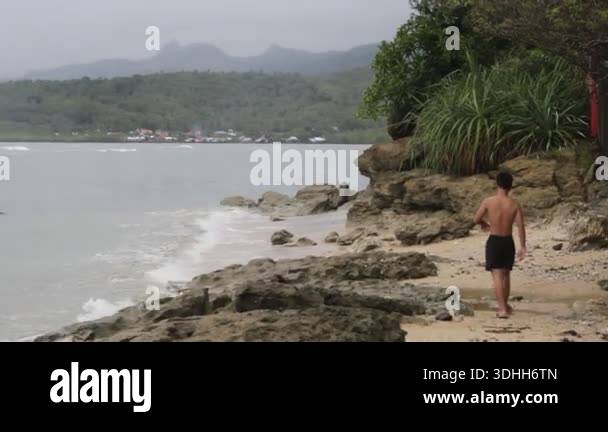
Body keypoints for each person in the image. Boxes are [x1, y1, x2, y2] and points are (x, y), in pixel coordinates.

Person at [473, 172, 527, 319]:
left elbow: (476, 218)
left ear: (497, 184)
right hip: (508, 241)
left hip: (494, 241)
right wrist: (523, 246)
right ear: (510, 186)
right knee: (506, 274)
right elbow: (521, 226)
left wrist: (484, 223)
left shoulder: (489, 202)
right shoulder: (514, 204)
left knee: (497, 275)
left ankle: (502, 309)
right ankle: (506, 306)